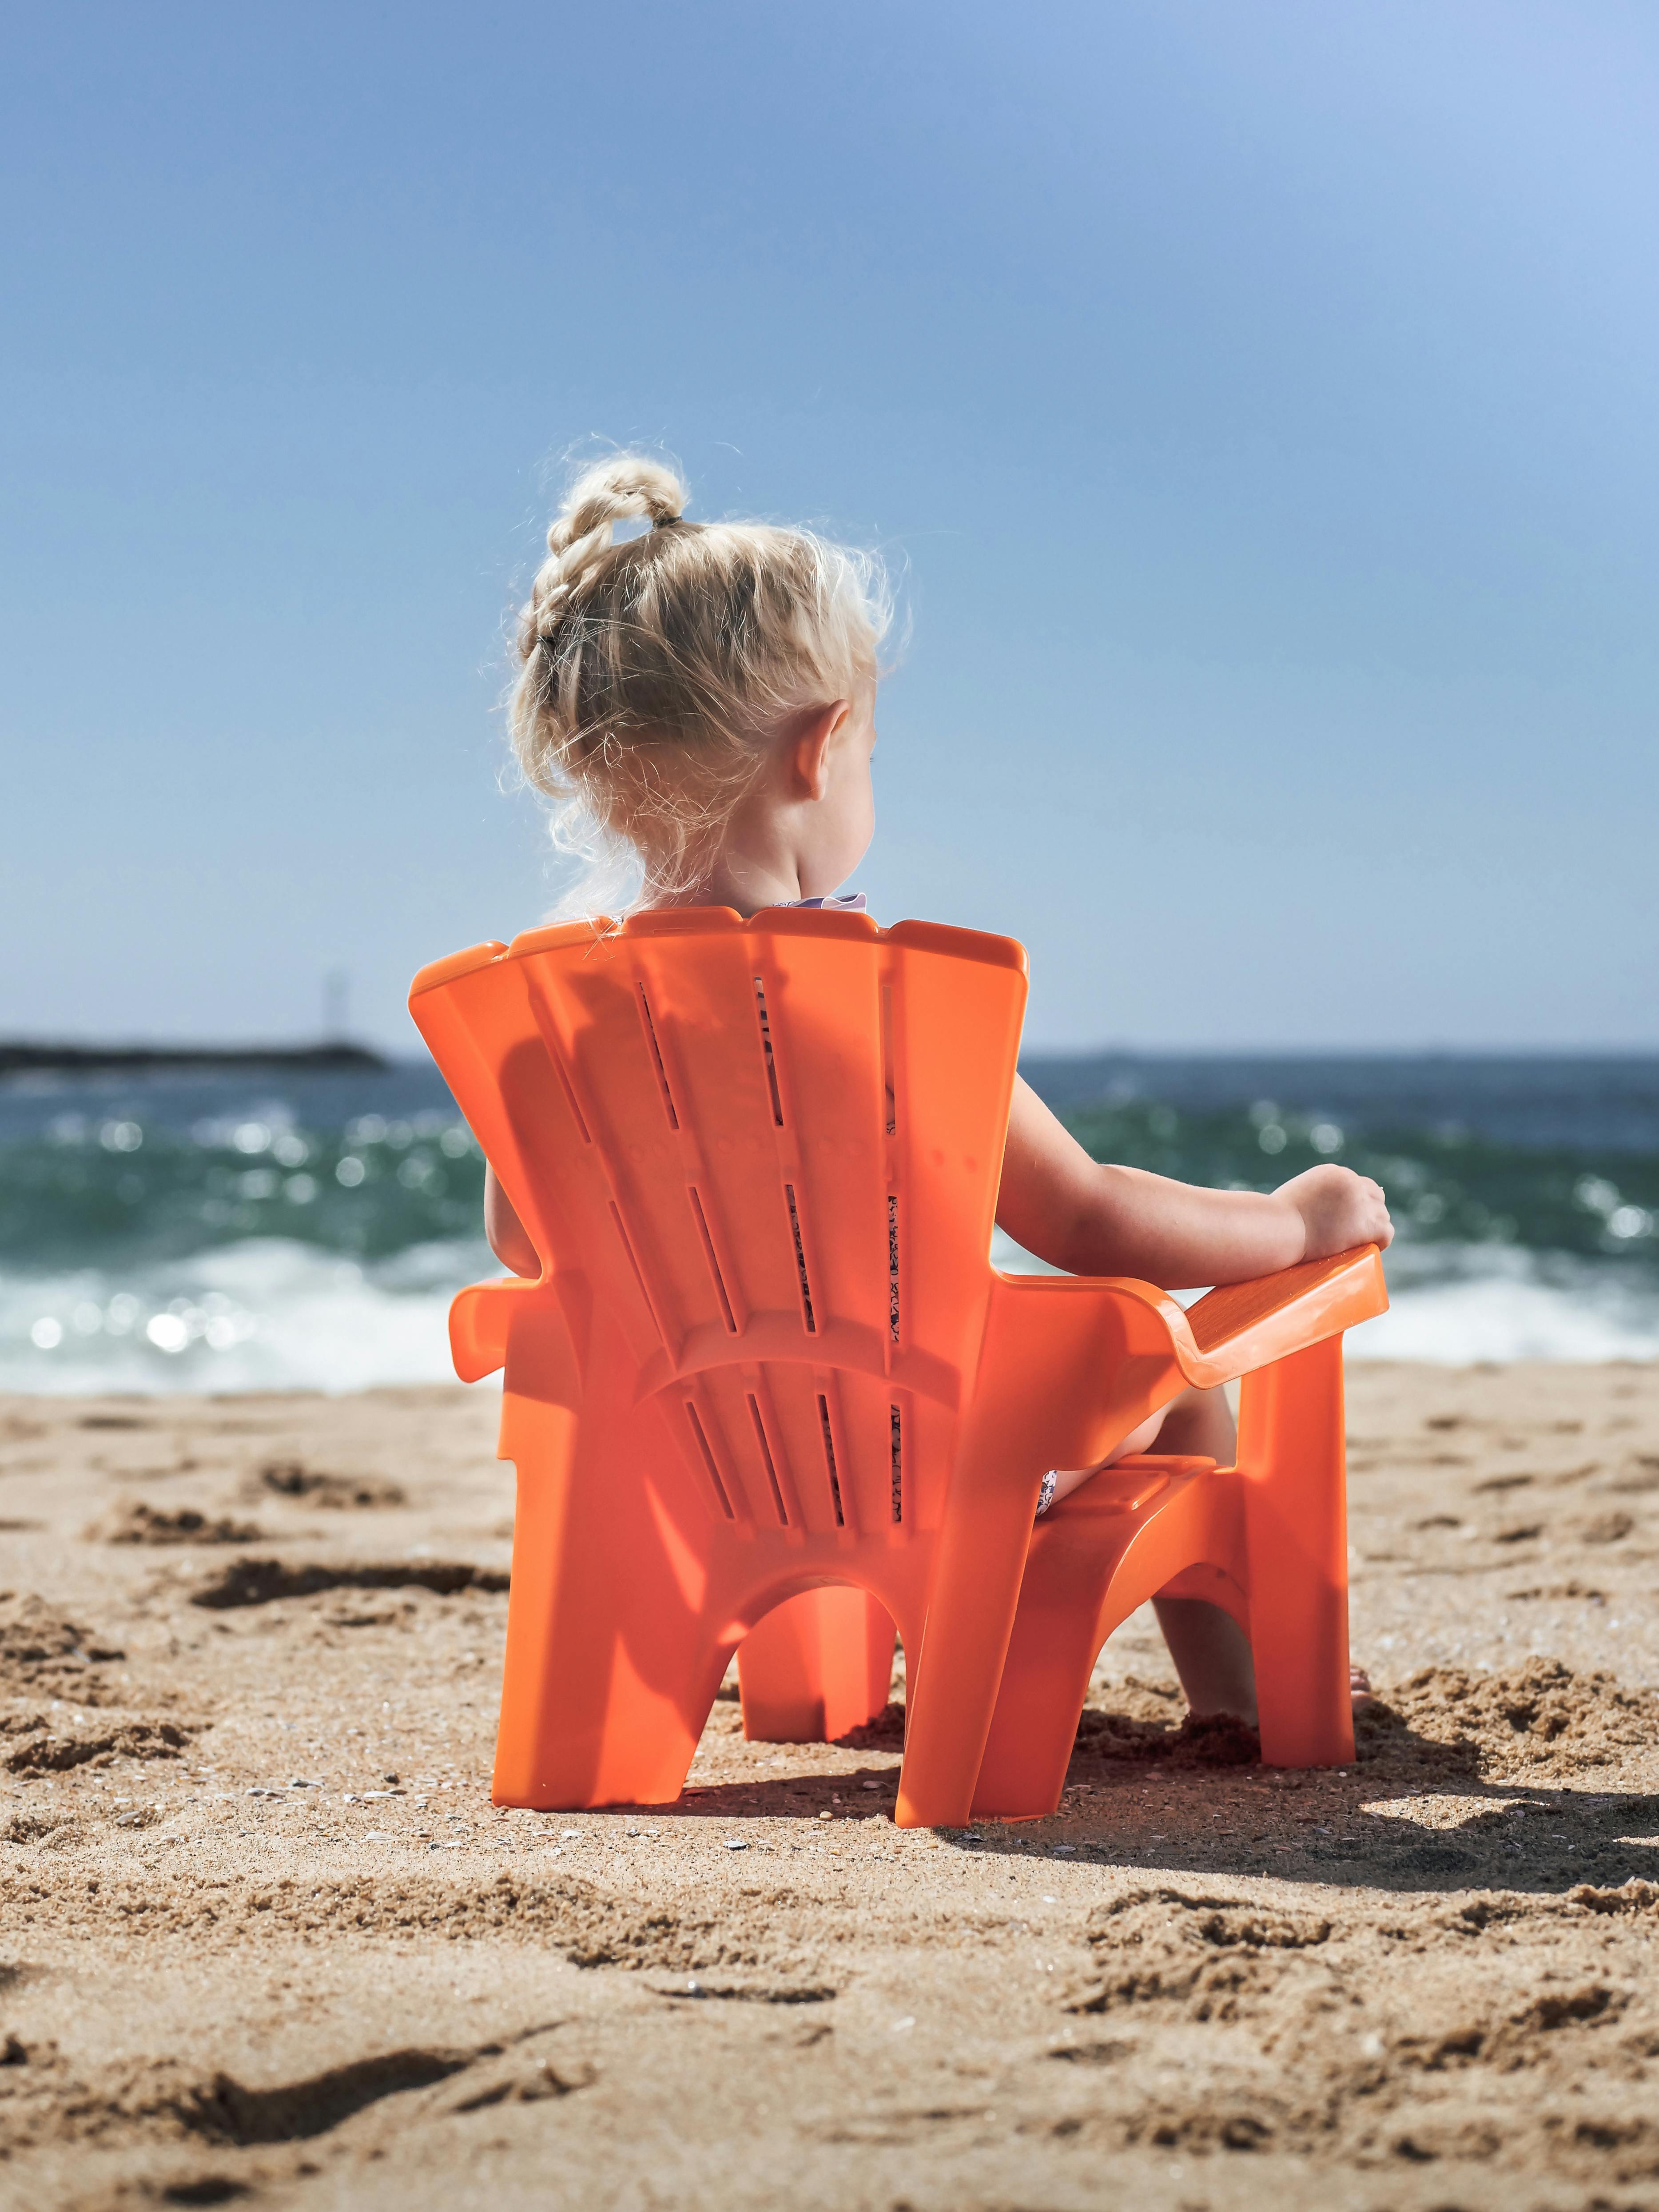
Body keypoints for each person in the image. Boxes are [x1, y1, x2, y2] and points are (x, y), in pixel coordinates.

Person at [483, 453, 1393, 1727]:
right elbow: (1086, 1220)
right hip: (938, 1471)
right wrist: (1297, 1228)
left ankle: (823, 1681)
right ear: (824, 747)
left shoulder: (553, 1017)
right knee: (1185, 1384)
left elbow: (527, 1242)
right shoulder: (879, 1001)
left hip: (709, 1475)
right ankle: (1240, 1710)